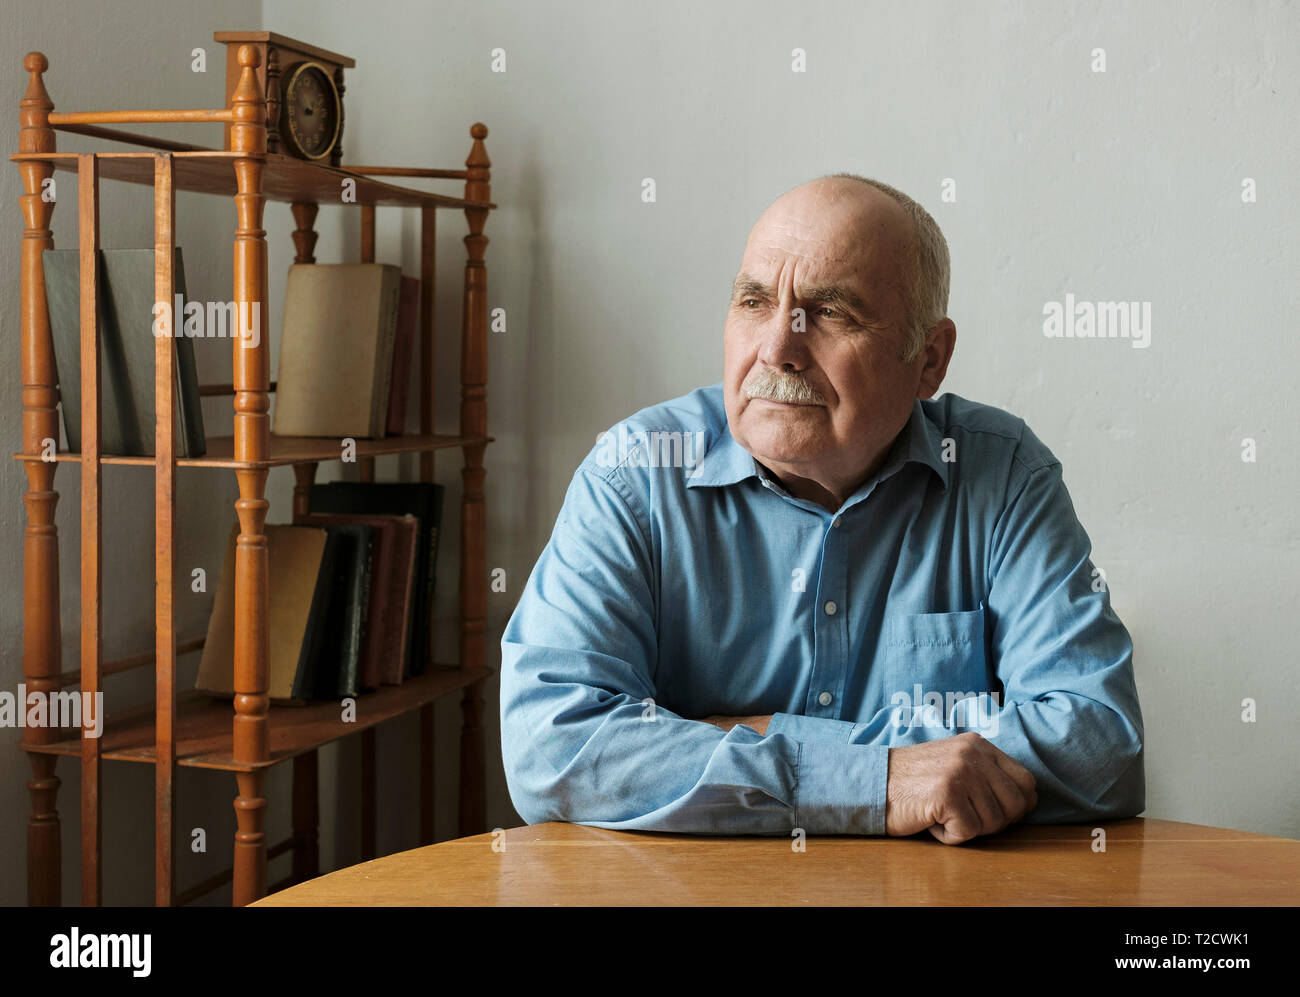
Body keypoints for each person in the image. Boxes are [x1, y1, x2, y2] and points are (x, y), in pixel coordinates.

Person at [500, 173, 1145, 843]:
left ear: (929, 359)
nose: (777, 348)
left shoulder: (1001, 474)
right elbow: (551, 746)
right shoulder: (636, 474)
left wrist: (750, 734)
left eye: (832, 313)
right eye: (754, 301)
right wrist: (883, 778)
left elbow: (1101, 746)